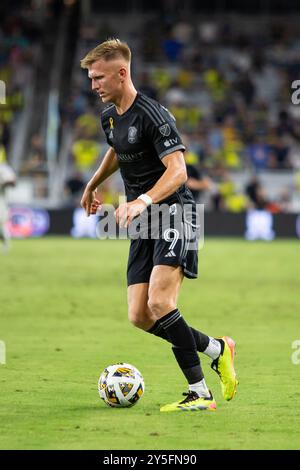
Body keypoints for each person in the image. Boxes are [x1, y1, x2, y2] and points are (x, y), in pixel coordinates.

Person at [80, 39, 238, 412]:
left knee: (160, 301)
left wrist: (141, 200)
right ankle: (217, 349)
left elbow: (179, 171)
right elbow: (118, 148)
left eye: (99, 77)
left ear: (122, 73)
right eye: (90, 78)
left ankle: (200, 393)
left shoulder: (153, 115)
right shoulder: (109, 116)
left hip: (175, 214)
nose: (94, 85)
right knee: (139, 314)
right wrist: (93, 183)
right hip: (144, 221)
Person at [0, 158, 16, 253]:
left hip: (1, 200)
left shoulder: (4, 169)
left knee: (1, 224)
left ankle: (6, 244)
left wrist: (3, 182)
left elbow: (13, 182)